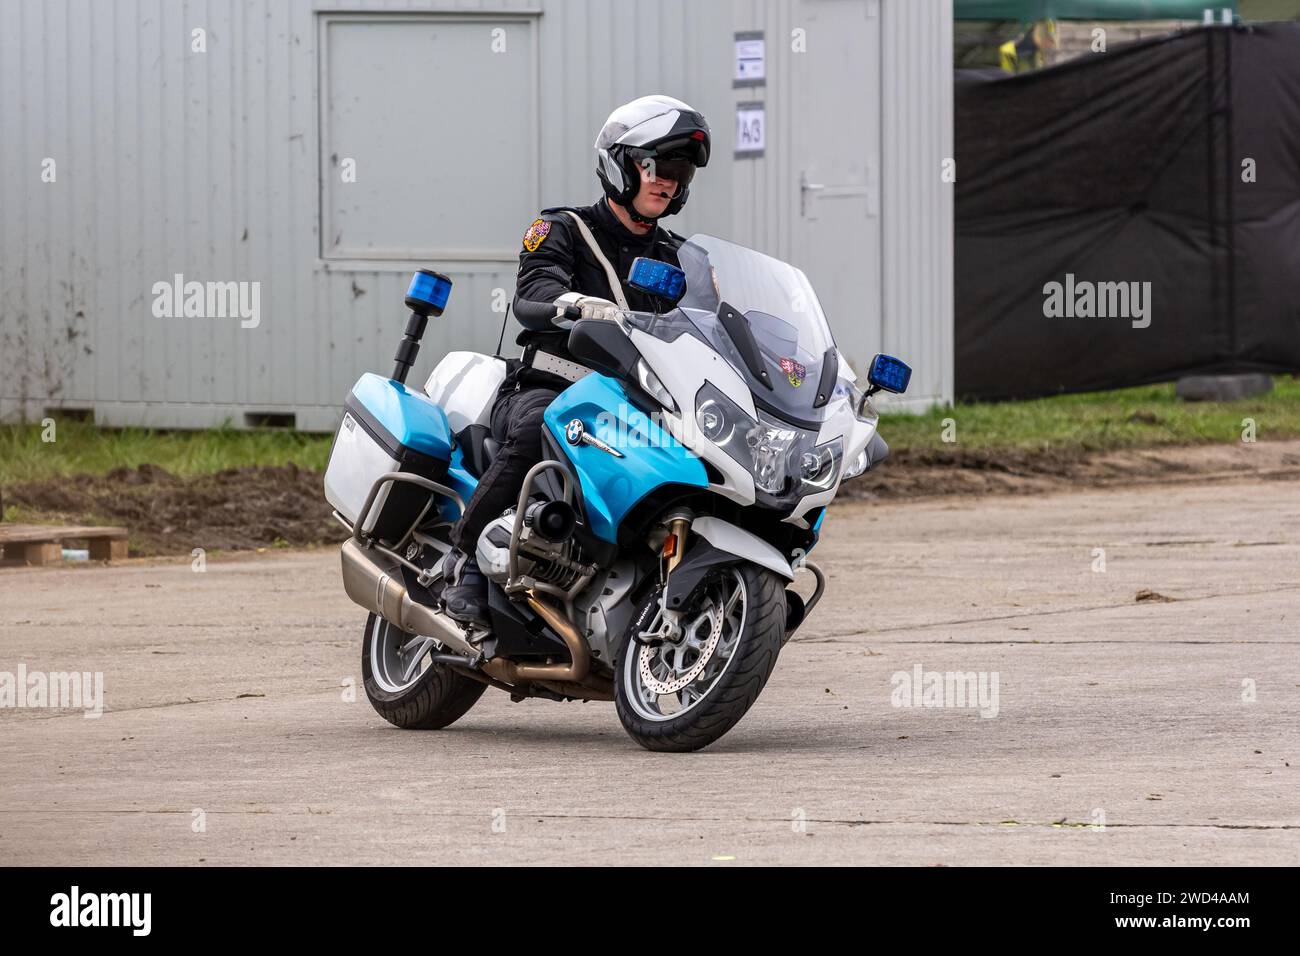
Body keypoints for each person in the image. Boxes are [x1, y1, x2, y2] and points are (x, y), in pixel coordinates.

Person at [440, 94, 712, 624]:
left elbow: (712, 323)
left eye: (677, 170)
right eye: (653, 165)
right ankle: (463, 563)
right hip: (549, 388)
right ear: (619, 163)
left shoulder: (680, 259)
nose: (666, 180)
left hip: (634, 410)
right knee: (540, 424)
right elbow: (533, 291)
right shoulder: (562, 227)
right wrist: (573, 302)